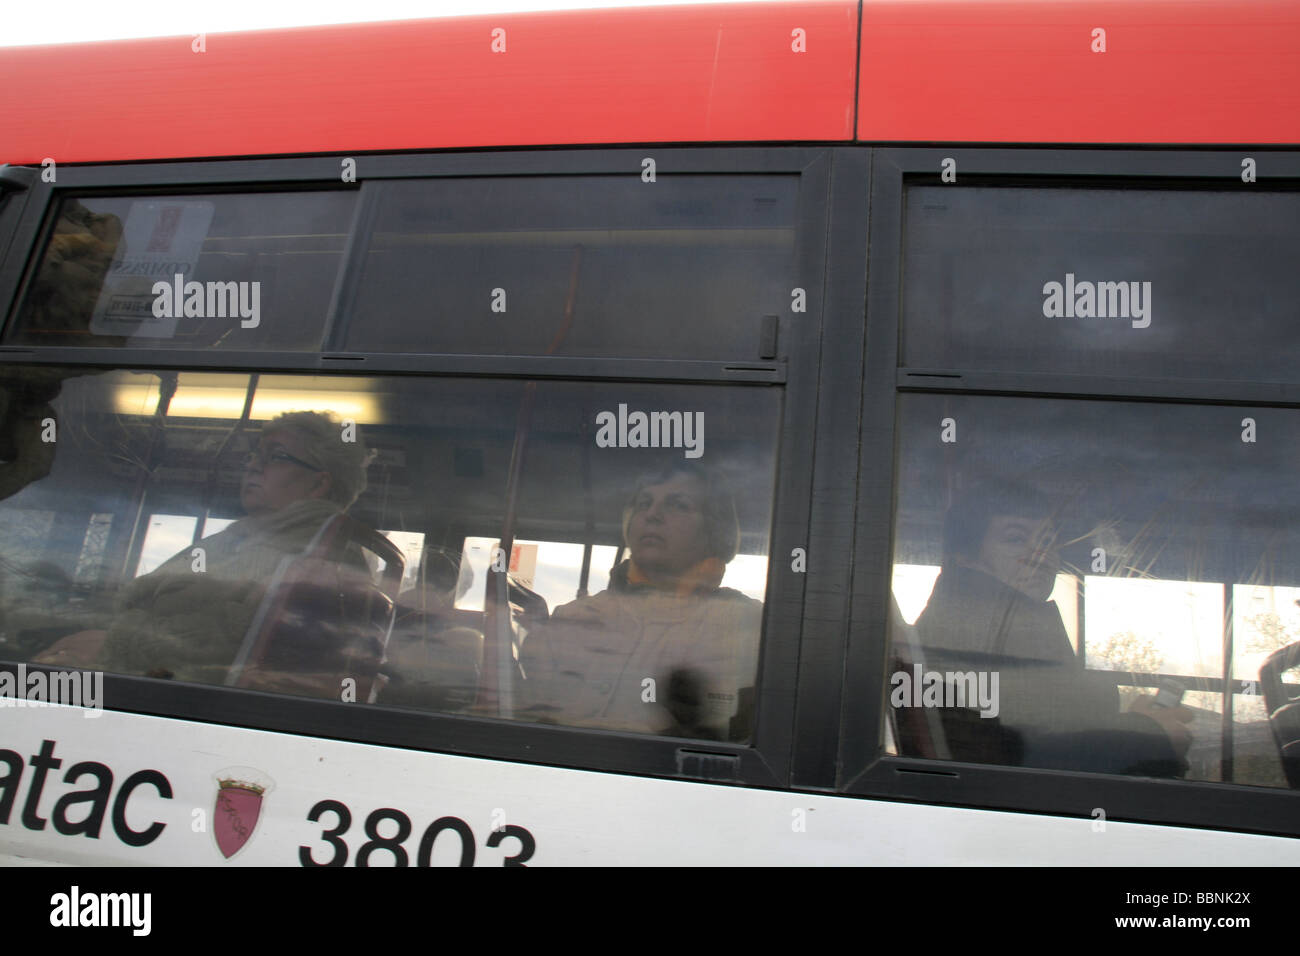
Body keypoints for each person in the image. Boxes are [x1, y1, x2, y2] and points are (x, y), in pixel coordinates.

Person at [912, 479, 1193, 776]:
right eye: (1016, 539)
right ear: (964, 557)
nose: (1040, 554)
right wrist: (1146, 733)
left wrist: (1139, 724)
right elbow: (1027, 749)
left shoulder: (1003, 622)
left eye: (1048, 541)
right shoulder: (970, 628)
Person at [79, 410, 377, 690]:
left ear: (318, 483)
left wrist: (107, 646)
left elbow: (217, 652)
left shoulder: (313, 556)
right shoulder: (245, 540)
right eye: (254, 455)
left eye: (275, 456)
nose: (253, 465)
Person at [519, 462, 761, 740]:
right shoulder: (571, 617)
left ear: (714, 529)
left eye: (678, 505)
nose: (652, 514)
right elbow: (518, 723)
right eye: (644, 503)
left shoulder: (750, 627)